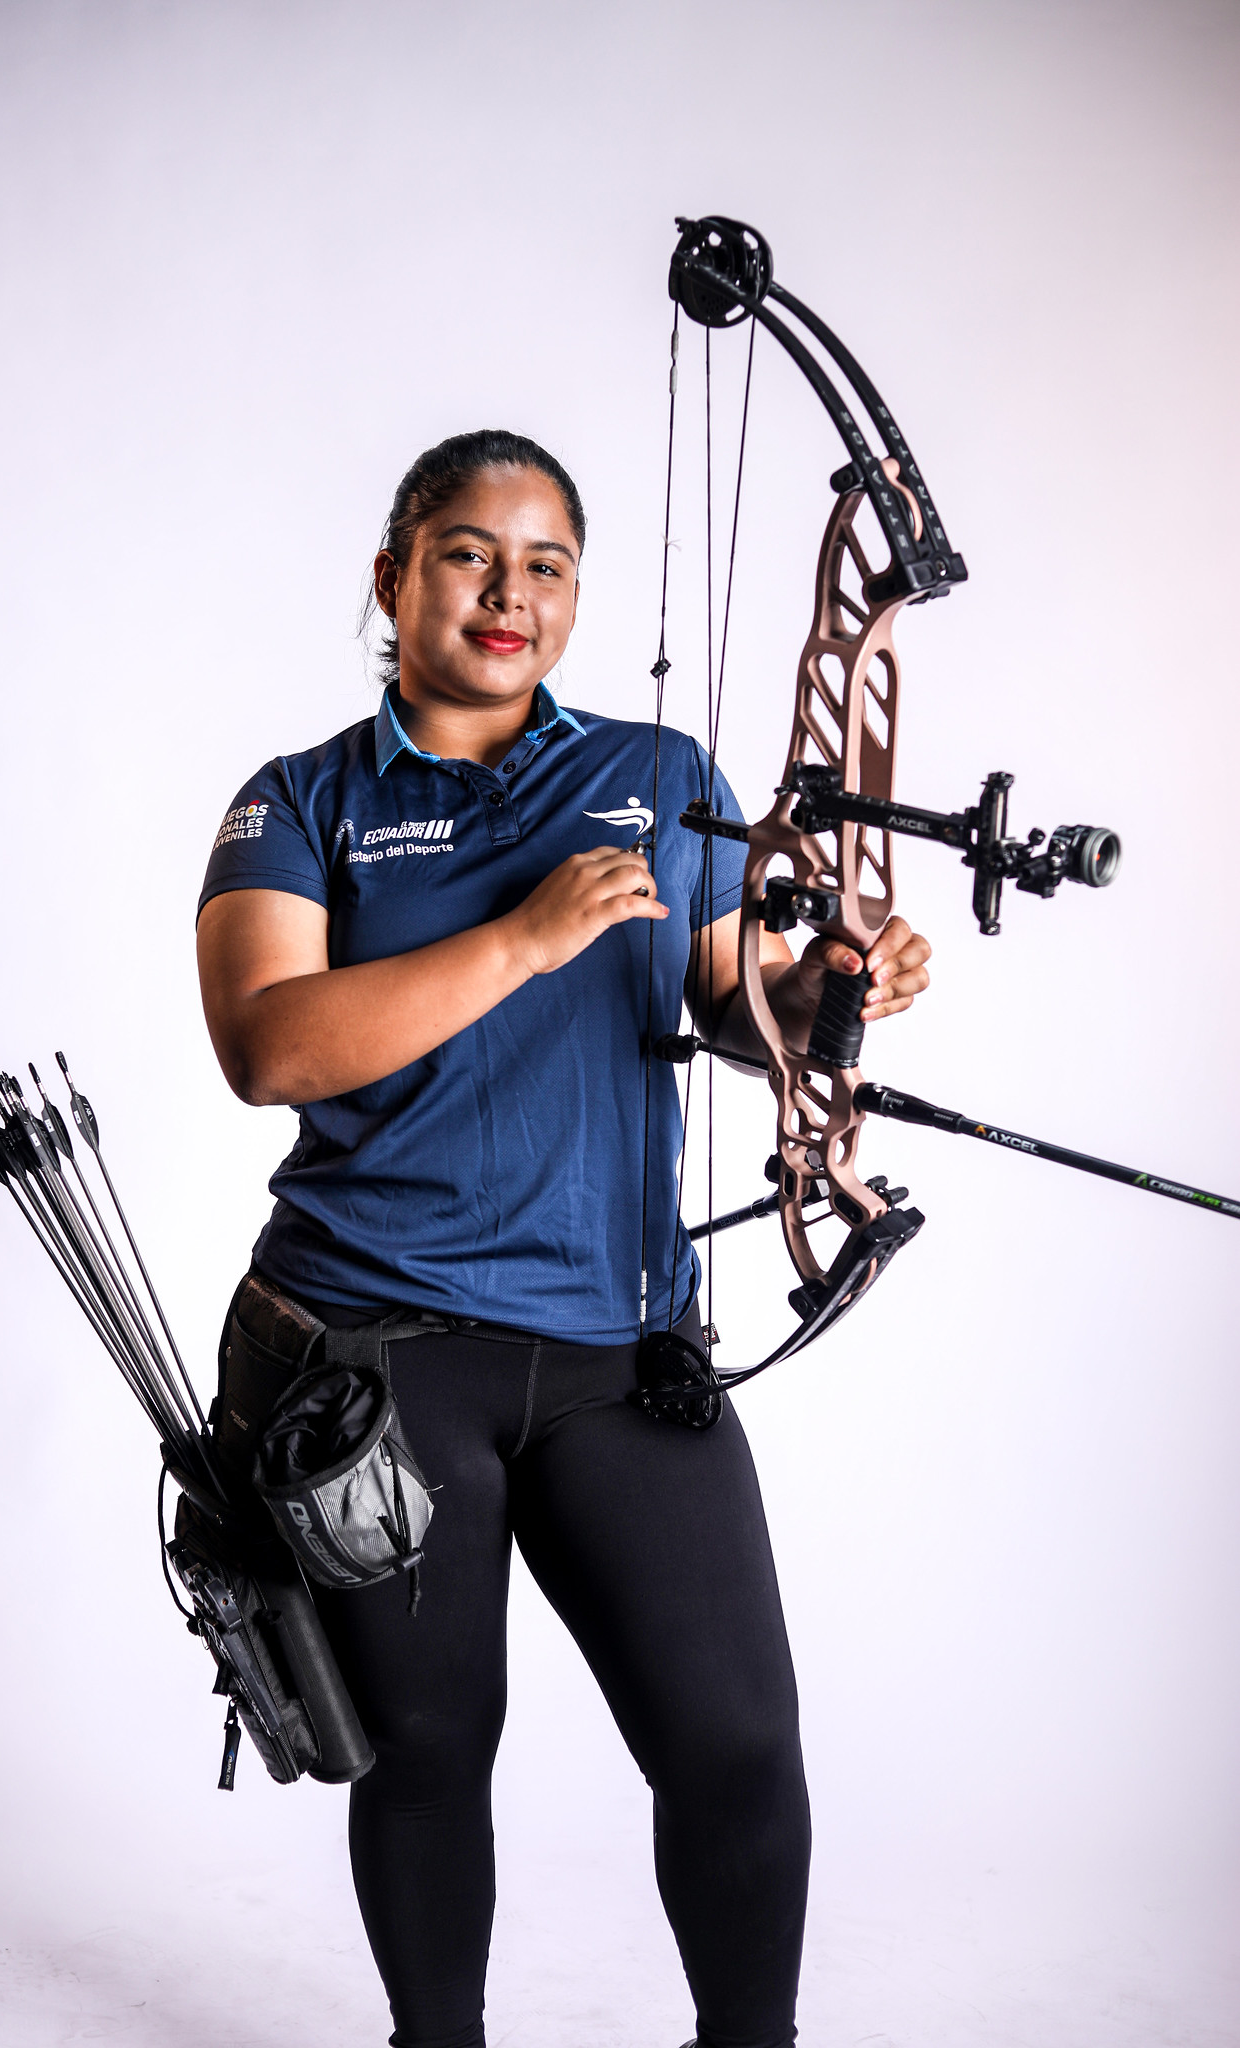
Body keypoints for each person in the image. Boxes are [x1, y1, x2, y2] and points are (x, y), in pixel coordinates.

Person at [195, 428, 933, 2048]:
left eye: (544, 565)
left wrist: (833, 995)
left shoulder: (663, 779)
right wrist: (522, 942)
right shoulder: (300, 800)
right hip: (376, 1360)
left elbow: (739, 1006)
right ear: (393, 577)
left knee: (736, 1740)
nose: (505, 592)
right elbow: (271, 1047)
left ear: (577, 592)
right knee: (433, 1745)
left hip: (619, 1349)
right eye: (466, 553)